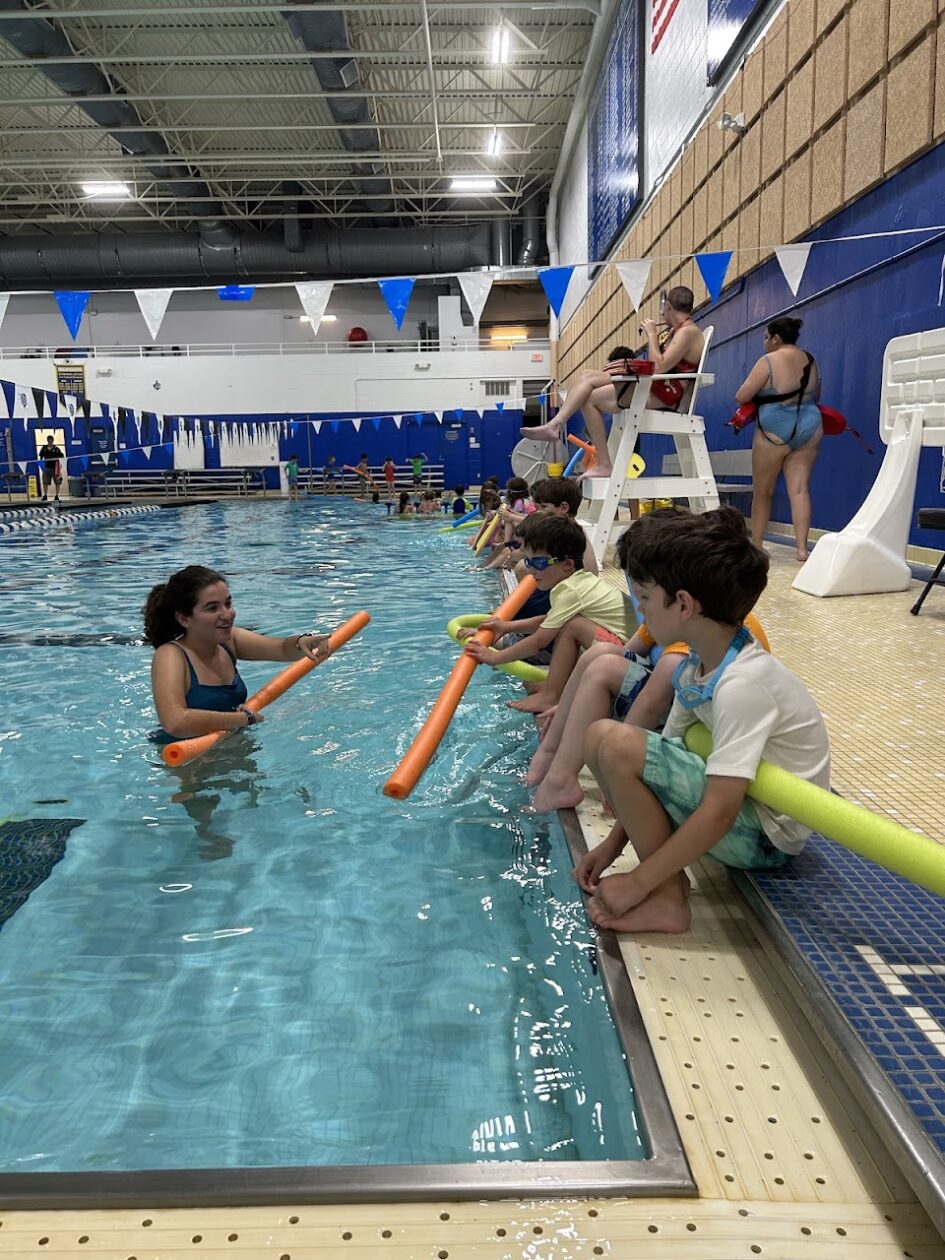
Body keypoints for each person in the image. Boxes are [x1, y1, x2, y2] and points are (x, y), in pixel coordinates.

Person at [573, 507, 830, 936]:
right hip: (746, 815)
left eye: (645, 601)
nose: (641, 613)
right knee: (605, 739)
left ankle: (669, 901)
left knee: (614, 741)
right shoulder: (698, 666)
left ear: (685, 605)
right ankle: (665, 889)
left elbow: (720, 813)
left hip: (767, 836)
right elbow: (661, 762)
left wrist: (638, 881)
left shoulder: (743, 683)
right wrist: (612, 845)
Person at [523, 288, 705, 478]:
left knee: (590, 399)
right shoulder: (679, 331)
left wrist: (652, 335)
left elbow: (658, 367)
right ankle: (556, 424)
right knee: (586, 376)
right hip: (656, 387)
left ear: (668, 307)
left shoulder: (688, 332)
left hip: (665, 395)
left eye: (663, 310)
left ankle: (602, 463)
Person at [143, 565, 333, 744]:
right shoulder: (170, 656)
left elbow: (281, 648)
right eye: (212, 608)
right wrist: (244, 718)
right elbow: (175, 722)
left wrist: (301, 641)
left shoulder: (229, 641)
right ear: (184, 618)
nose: (227, 614)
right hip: (190, 763)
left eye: (228, 603)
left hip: (236, 748)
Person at [464, 515, 634, 696]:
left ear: (567, 565)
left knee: (571, 628)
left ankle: (552, 694)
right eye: (528, 561)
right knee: (567, 627)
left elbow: (539, 641)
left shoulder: (570, 590)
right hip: (625, 655)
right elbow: (548, 621)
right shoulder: (577, 583)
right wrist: (506, 626)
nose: (530, 569)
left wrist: (495, 658)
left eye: (538, 563)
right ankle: (556, 688)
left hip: (626, 662)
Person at [735, 316, 822, 561]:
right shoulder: (811, 360)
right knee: (800, 489)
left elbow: (742, 396)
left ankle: (758, 545)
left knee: (763, 491)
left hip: (774, 425)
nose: (764, 342)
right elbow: (817, 393)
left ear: (775, 338)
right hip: (809, 423)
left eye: (765, 337)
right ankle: (802, 549)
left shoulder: (768, 361)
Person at [38, 434, 64, 502]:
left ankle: (56, 495)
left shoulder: (56, 449)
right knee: (45, 482)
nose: (50, 442)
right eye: (49, 440)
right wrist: (42, 465)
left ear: (53, 441)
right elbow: (41, 456)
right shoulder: (44, 448)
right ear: (47, 441)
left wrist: (59, 465)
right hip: (47, 467)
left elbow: (61, 456)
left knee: (57, 482)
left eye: (51, 440)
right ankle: (45, 495)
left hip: (55, 468)